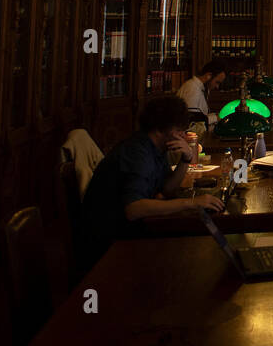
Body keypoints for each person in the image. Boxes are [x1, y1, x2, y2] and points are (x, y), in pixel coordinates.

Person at [80, 96, 224, 267]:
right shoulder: (138, 152)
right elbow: (134, 209)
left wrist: (186, 159)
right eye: (179, 129)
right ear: (160, 128)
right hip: (110, 244)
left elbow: (167, 190)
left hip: (129, 231)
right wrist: (192, 203)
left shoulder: (156, 147)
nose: (183, 134)